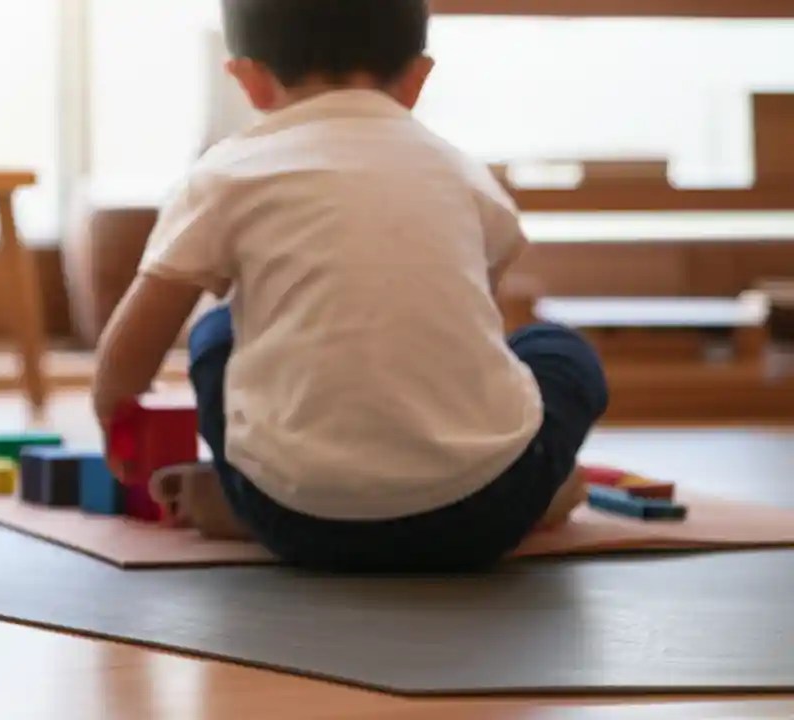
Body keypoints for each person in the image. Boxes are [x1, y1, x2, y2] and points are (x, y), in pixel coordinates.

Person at [91, 0, 608, 572]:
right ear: (417, 80)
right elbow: (468, 325)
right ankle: (539, 489)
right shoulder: (464, 174)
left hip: (290, 516)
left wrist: (120, 441)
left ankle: (239, 495)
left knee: (216, 328)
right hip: (481, 514)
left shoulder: (224, 175)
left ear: (248, 79)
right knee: (560, 351)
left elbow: (129, 355)